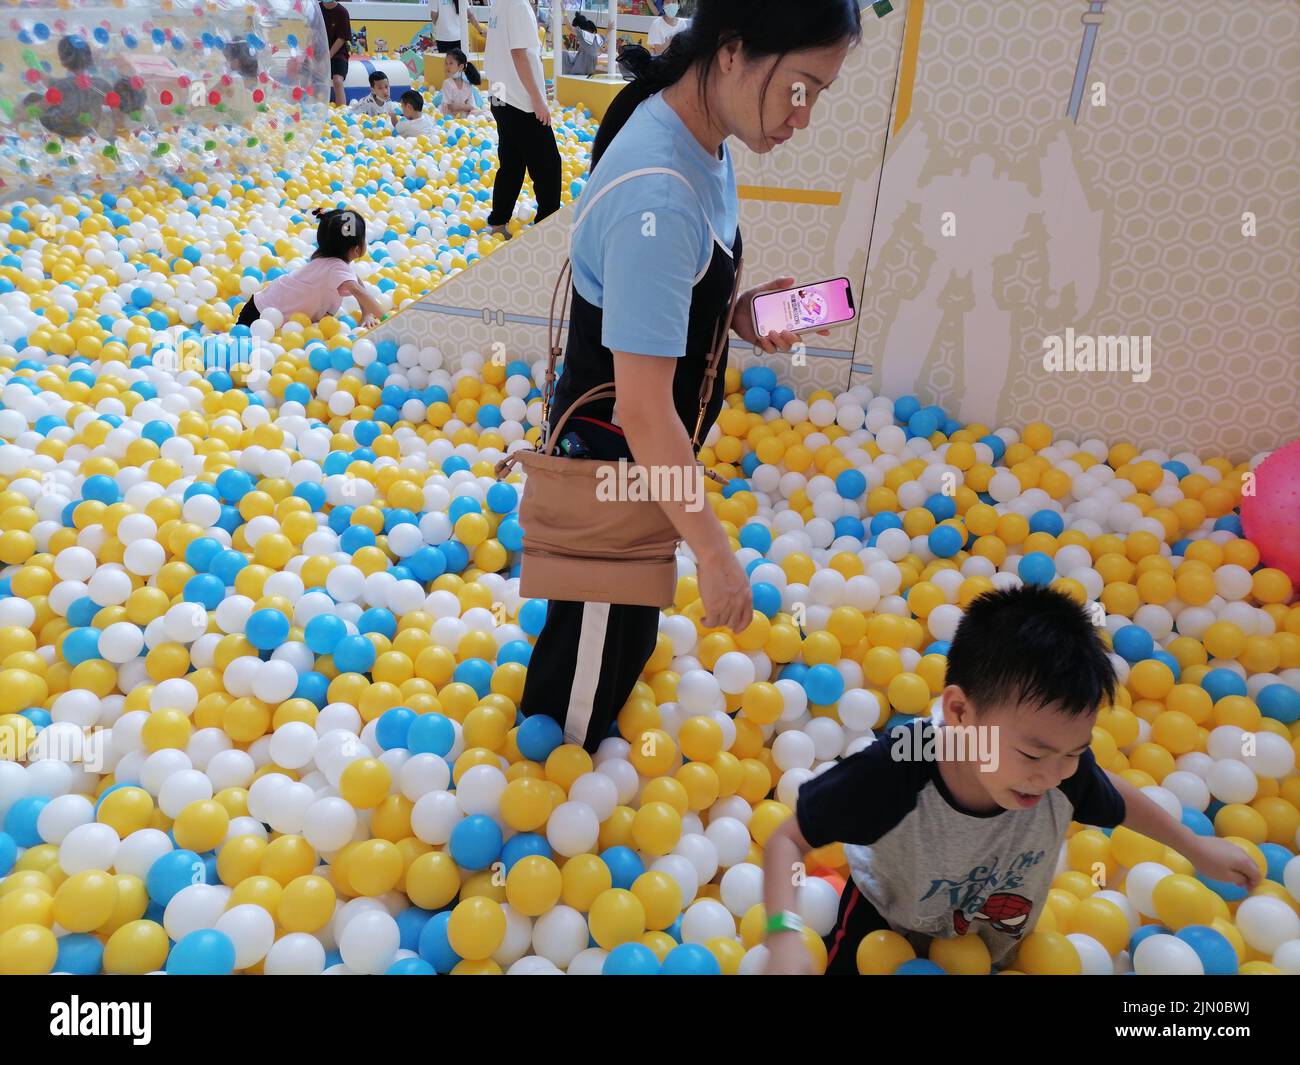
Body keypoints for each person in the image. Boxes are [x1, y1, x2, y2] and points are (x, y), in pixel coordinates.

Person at [515, 0, 860, 751]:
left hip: (647, 467)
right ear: (733, 50)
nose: (803, 117)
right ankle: (548, 783)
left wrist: (738, 316)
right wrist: (715, 553)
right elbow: (643, 411)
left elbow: (661, 301)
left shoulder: (695, 130)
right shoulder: (661, 192)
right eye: (801, 86)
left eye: (818, 96)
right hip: (619, 469)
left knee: (615, 631)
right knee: (588, 671)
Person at [762, 585, 1264, 975]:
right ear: (958, 712)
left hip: (991, 937)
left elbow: (1117, 798)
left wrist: (1196, 848)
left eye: (1075, 752)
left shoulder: (1062, 774)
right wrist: (784, 933)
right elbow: (787, 839)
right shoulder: (898, 766)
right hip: (884, 918)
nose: (1050, 775)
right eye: (1032, 752)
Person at [484, 0, 561, 238]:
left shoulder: (500, 4)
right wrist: (537, 99)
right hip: (519, 102)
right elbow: (518, 54)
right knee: (548, 166)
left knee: (512, 164)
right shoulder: (517, 5)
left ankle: (498, 222)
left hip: (500, 95)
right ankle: (547, 228)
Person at [235, 208, 384, 328]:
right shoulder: (336, 268)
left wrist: (367, 315)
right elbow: (358, 291)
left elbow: (358, 286)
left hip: (264, 307)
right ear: (356, 249)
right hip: (261, 314)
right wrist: (385, 318)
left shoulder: (333, 262)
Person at [38, 36, 113, 139]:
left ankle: (13, 125)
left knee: (32, 98)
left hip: (63, 132)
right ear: (89, 58)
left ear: (62, 60)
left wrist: (26, 113)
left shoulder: (61, 86)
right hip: (88, 131)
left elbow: (41, 106)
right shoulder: (102, 84)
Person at [320, 0, 352, 106]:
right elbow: (313, 32)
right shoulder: (317, 9)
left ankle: (342, 112)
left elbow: (342, 38)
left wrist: (328, 56)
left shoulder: (342, 12)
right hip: (319, 51)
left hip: (338, 53)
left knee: (337, 80)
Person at [440, 49, 483, 116]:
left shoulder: (467, 84)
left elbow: (472, 107)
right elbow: (448, 106)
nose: (447, 66)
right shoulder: (447, 83)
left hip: (467, 119)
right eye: (446, 63)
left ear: (461, 66)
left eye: (451, 63)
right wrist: (464, 106)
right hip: (451, 119)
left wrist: (461, 107)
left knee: (485, 113)